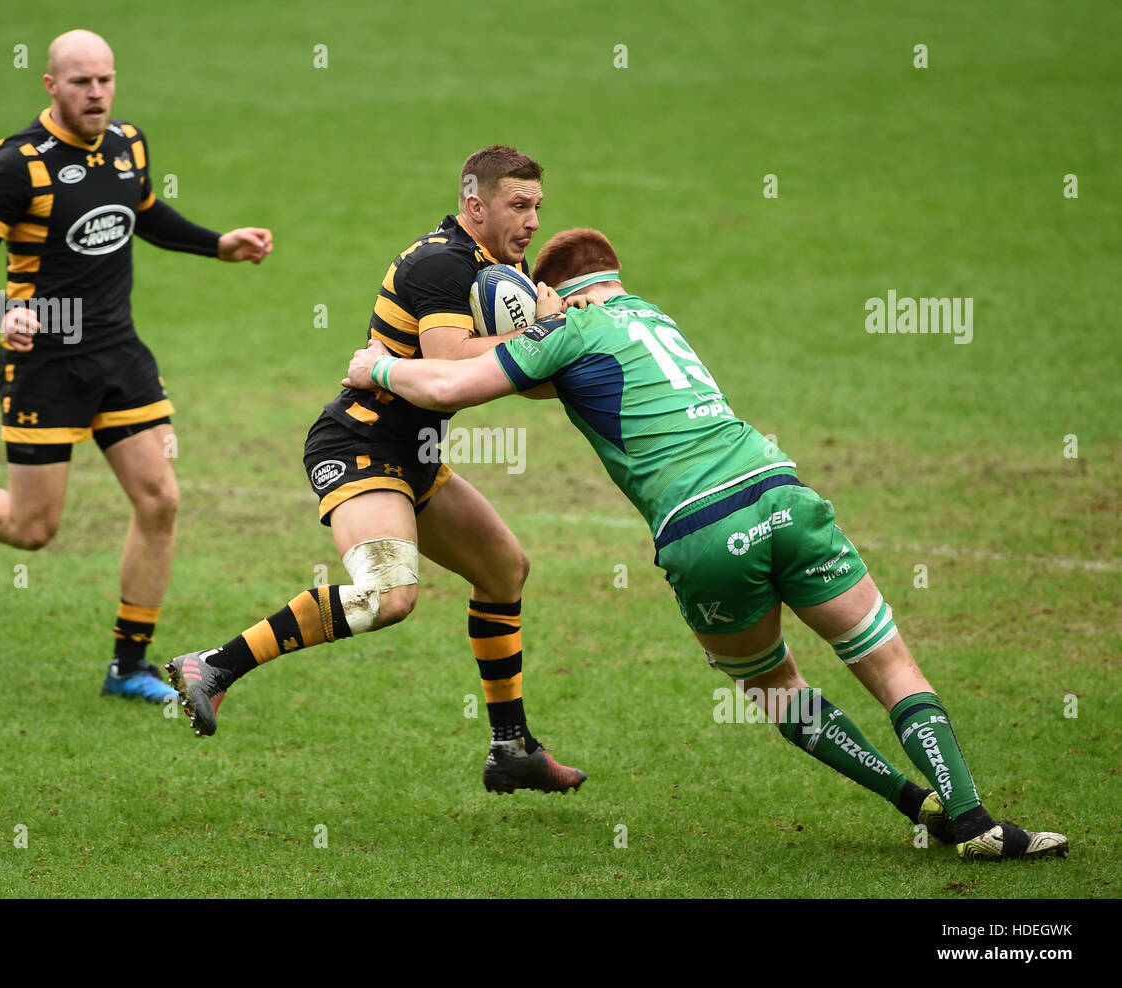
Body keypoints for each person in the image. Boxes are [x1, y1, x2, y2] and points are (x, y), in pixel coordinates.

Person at [341, 226, 1069, 860]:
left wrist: (376, 365)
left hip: (703, 533)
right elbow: (552, 379)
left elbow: (449, 387)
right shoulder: (654, 315)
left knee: (777, 688)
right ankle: (974, 818)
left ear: (554, 293)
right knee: (888, 662)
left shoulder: (563, 333)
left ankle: (914, 806)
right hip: (782, 494)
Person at [166, 146, 586, 795]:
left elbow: (516, 376)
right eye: (517, 205)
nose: (532, 221)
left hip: (415, 459)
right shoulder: (441, 265)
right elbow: (449, 368)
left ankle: (512, 750)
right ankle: (213, 665)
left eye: (536, 206)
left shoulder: (504, 270)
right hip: (357, 447)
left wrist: (566, 348)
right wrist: (548, 334)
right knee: (388, 596)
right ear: (475, 204)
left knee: (504, 569)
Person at [0, 29, 274, 703]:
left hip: (118, 355)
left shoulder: (128, 143)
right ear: (51, 86)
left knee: (160, 499)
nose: (97, 93)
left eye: (105, 80)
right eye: (81, 82)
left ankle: (127, 665)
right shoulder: (16, 165)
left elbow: (143, 214)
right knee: (34, 529)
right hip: (44, 366)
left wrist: (217, 244)